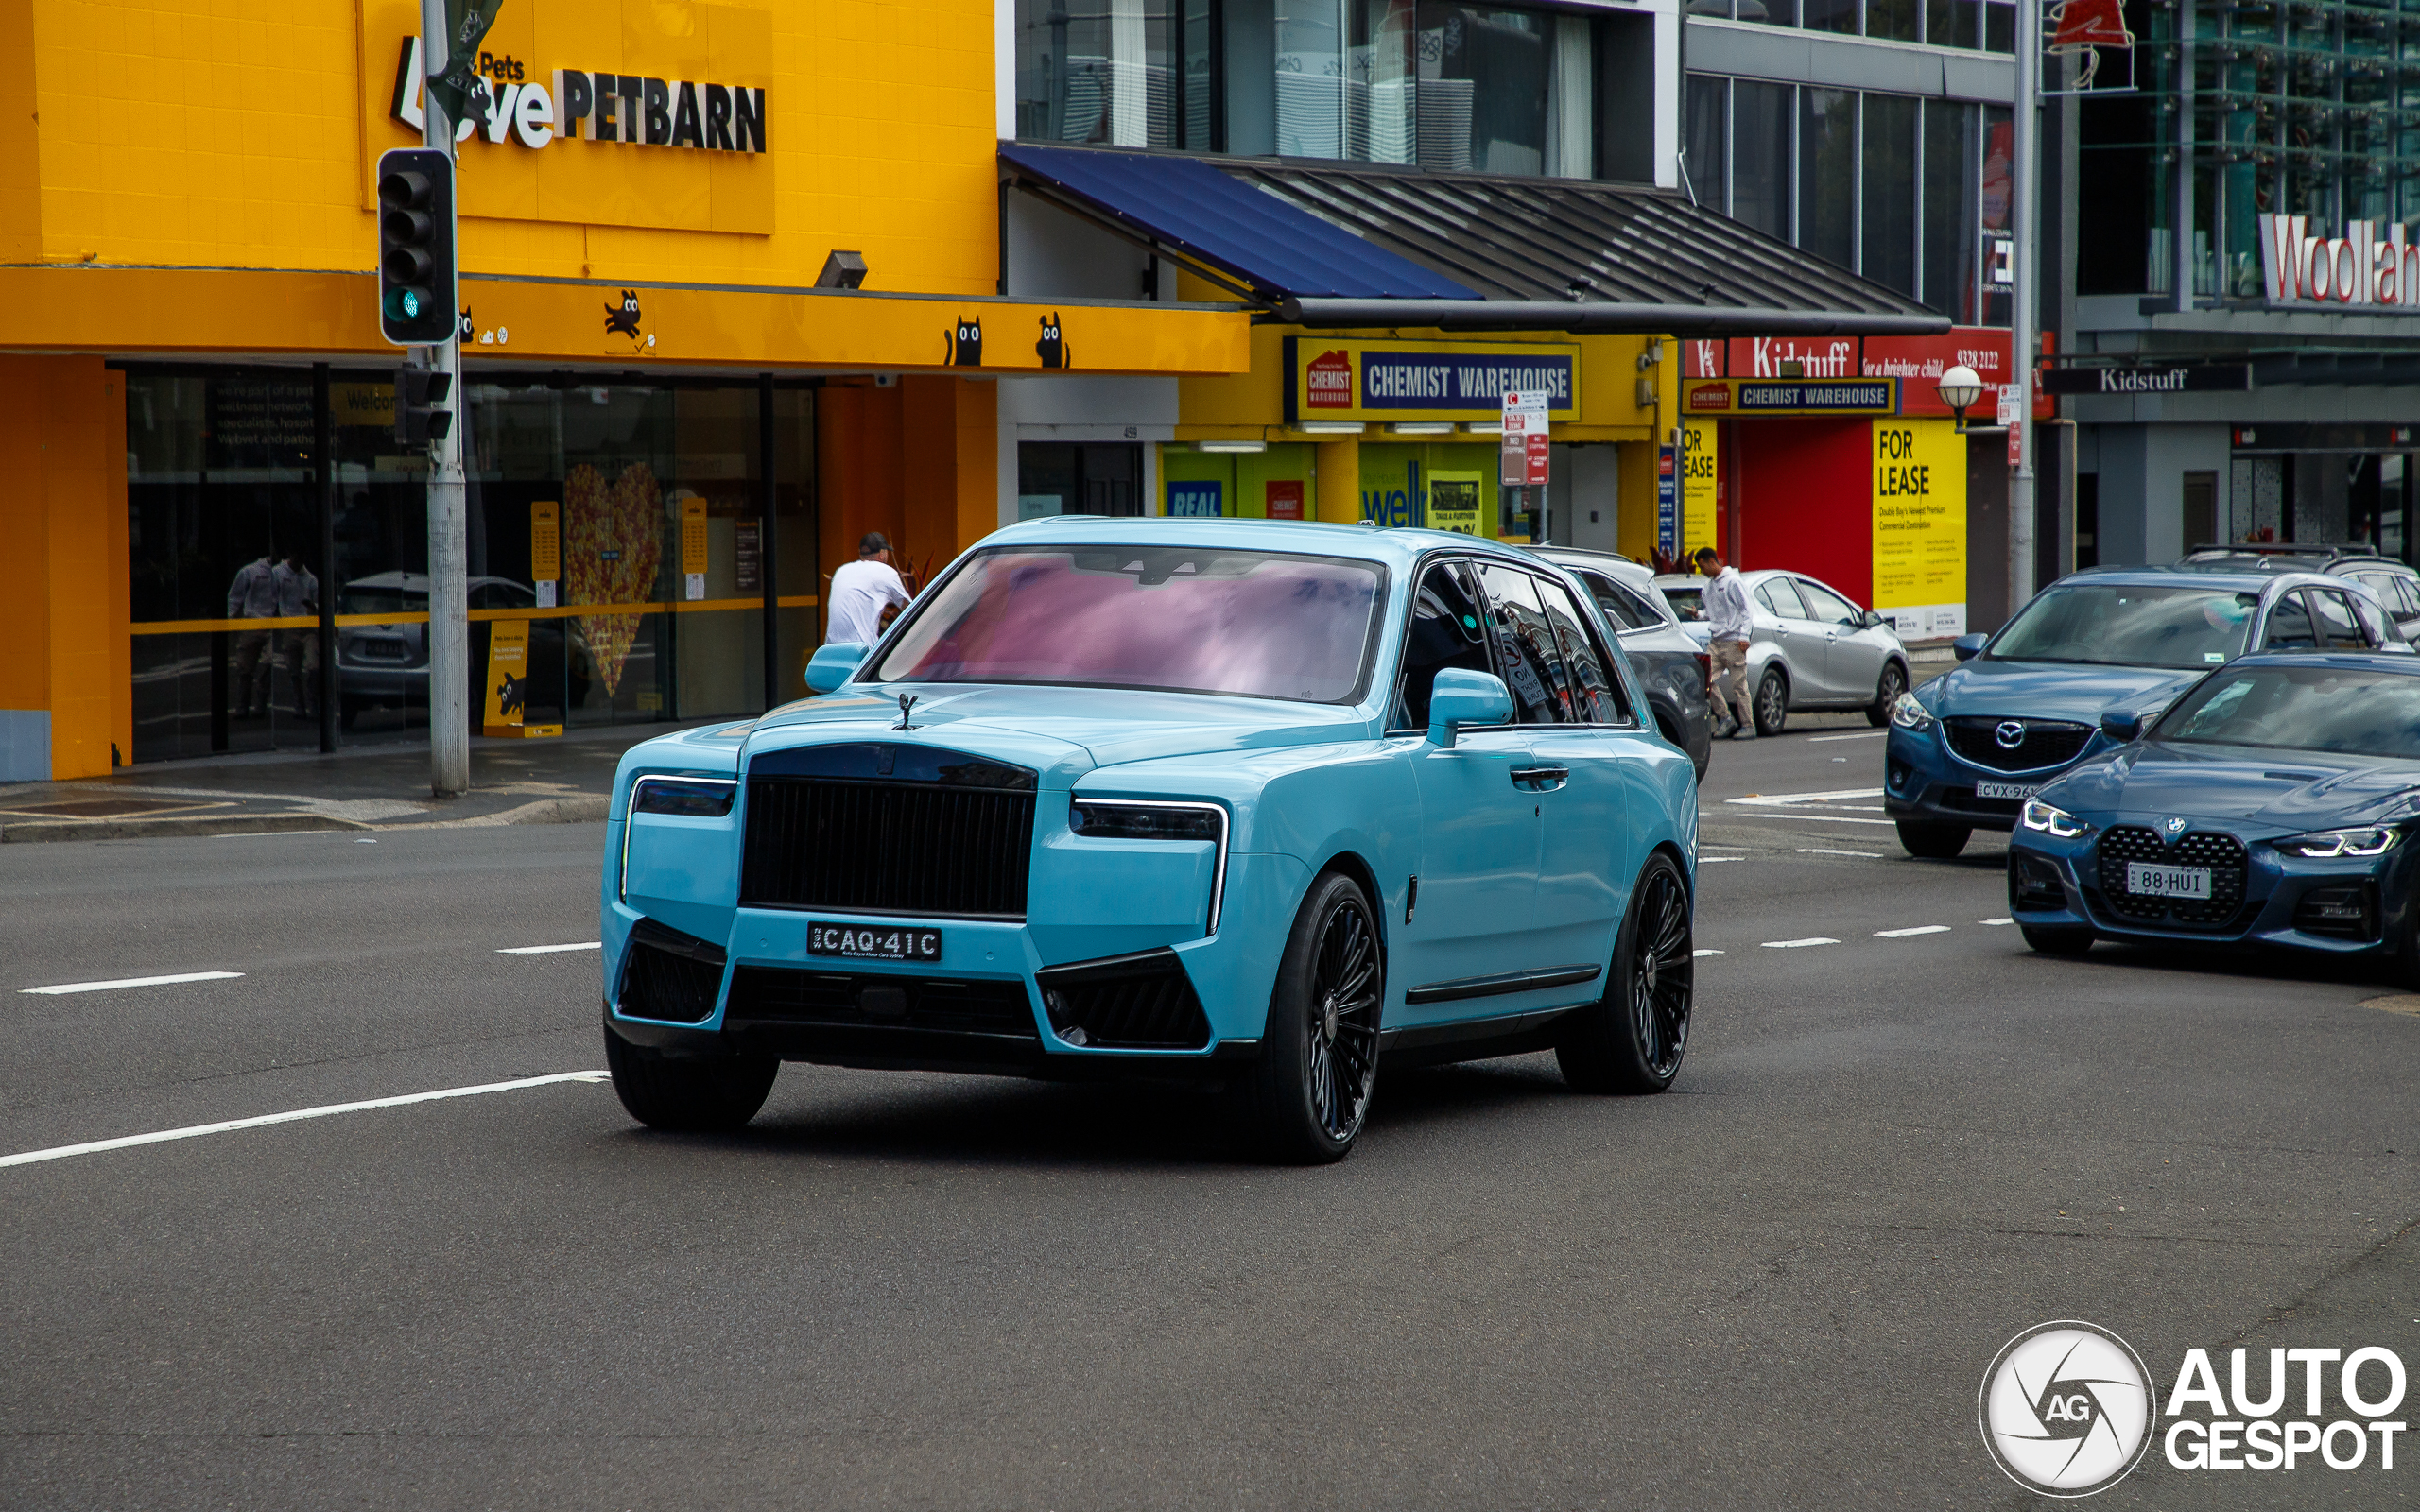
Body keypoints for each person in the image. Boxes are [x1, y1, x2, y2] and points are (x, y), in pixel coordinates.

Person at [1697, 545, 1756, 740]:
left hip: (1733, 641)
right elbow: (1713, 613)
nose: (1702, 571)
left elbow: (1746, 609)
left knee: (1739, 685)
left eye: (1703, 566)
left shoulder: (1732, 582)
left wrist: (1744, 636)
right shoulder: (1708, 587)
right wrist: (1698, 614)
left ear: (1712, 562)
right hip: (1716, 641)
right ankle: (1725, 718)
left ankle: (1748, 724)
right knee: (1705, 678)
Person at [825, 531, 912, 646]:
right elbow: (911, 610)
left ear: (860, 553)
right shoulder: (886, 572)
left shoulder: (841, 571)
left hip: (830, 649)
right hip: (862, 652)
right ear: (882, 554)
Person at [226, 547, 282, 718]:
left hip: (269, 625)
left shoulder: (280, 573)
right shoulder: (249, 571)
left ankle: (260, 706)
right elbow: (235, 597)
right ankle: (243, 707)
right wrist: (229, 620)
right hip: (251, 625)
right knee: (246, 668)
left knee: (266, 666)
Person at [273, 552, 321, 720]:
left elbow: (318, 604)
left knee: (313, 667)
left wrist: (312, 607)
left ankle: (313, 702)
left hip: (308, 627)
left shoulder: (310, 579)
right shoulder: (278, 573)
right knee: (294, 670)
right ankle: (299, 706)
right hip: (289, 625)